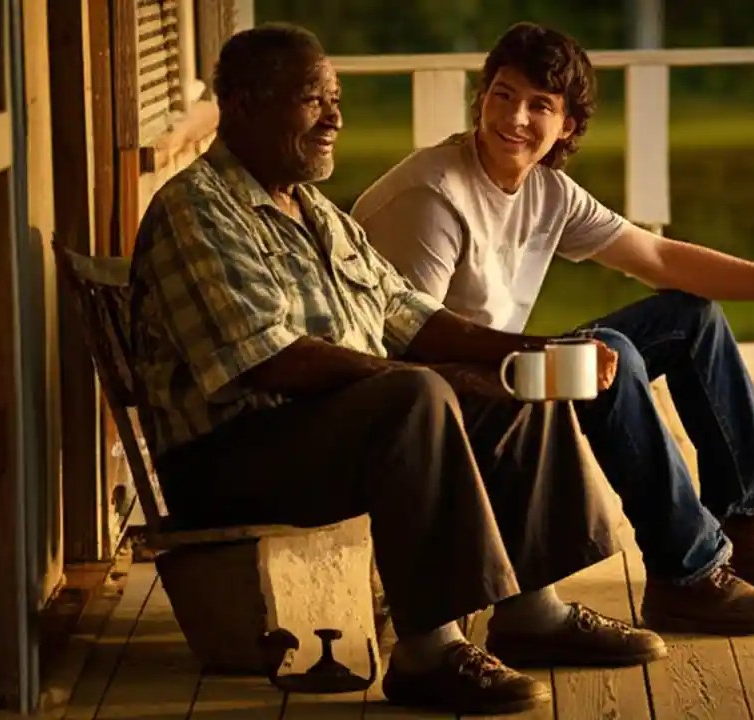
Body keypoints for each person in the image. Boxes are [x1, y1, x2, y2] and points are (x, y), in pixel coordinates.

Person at [126, 24, 666, 716]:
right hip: (229, 458)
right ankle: (429, 651)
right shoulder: (197, 209)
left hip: (312, 433)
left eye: (335, 98)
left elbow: (412, 315)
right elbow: (270, 361)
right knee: (416, 392)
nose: (335, 118)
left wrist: (530, 354)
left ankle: (533, 612)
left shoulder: (314, 210)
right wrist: (425, 380)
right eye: (311, 99)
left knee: (520, 389)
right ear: (241, 105)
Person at [353, 21, 754, 636]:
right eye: (502, 94)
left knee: (687, 316)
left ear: (566, 126)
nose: (514, 117)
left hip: (503, 366)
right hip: (439, 401)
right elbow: (408, 342)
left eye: (539, 105)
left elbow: (662, 259)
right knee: (609, 350)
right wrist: (553, 355)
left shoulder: (547, 192)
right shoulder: (434, 195)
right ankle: (687, 575)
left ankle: (751, 526)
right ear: (482, 97)